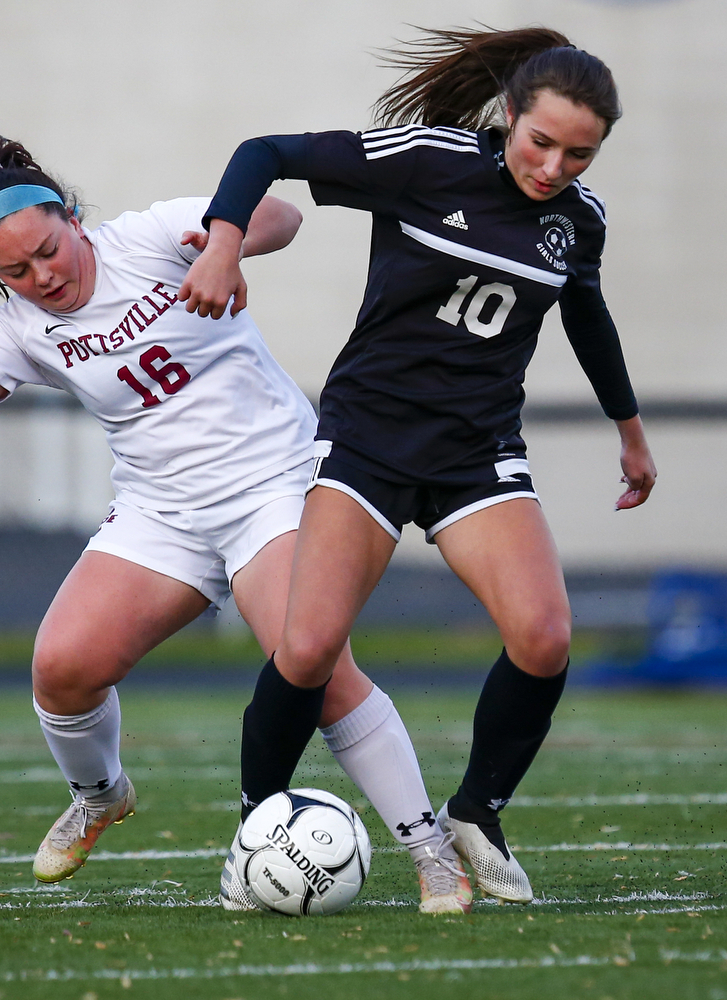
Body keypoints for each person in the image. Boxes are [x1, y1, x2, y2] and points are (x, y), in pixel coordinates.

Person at [0, 136, 474, 916]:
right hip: (161, 511)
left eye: (47, 251)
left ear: (71, 217)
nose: (42, 277)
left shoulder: (147, 235)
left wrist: (224, 247)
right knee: (62, 668)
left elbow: (286, 216)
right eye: (17, 271)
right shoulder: (20, 325)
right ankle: (100, 797)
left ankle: (431, 853)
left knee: (313, 664)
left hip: (271, 483)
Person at [180, 26, 658, 906]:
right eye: (539, 142)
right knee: (310, 646)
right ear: (509, 115)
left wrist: (628, 430)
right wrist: (220, 242)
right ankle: (256, 828)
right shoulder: (424, 160)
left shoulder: (576, 221)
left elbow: (587, 317)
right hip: (369, 441)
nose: (553, 167)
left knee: (546, 637)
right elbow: (266, 152)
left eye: (578, 155)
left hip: (477, 454)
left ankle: (475, 812)